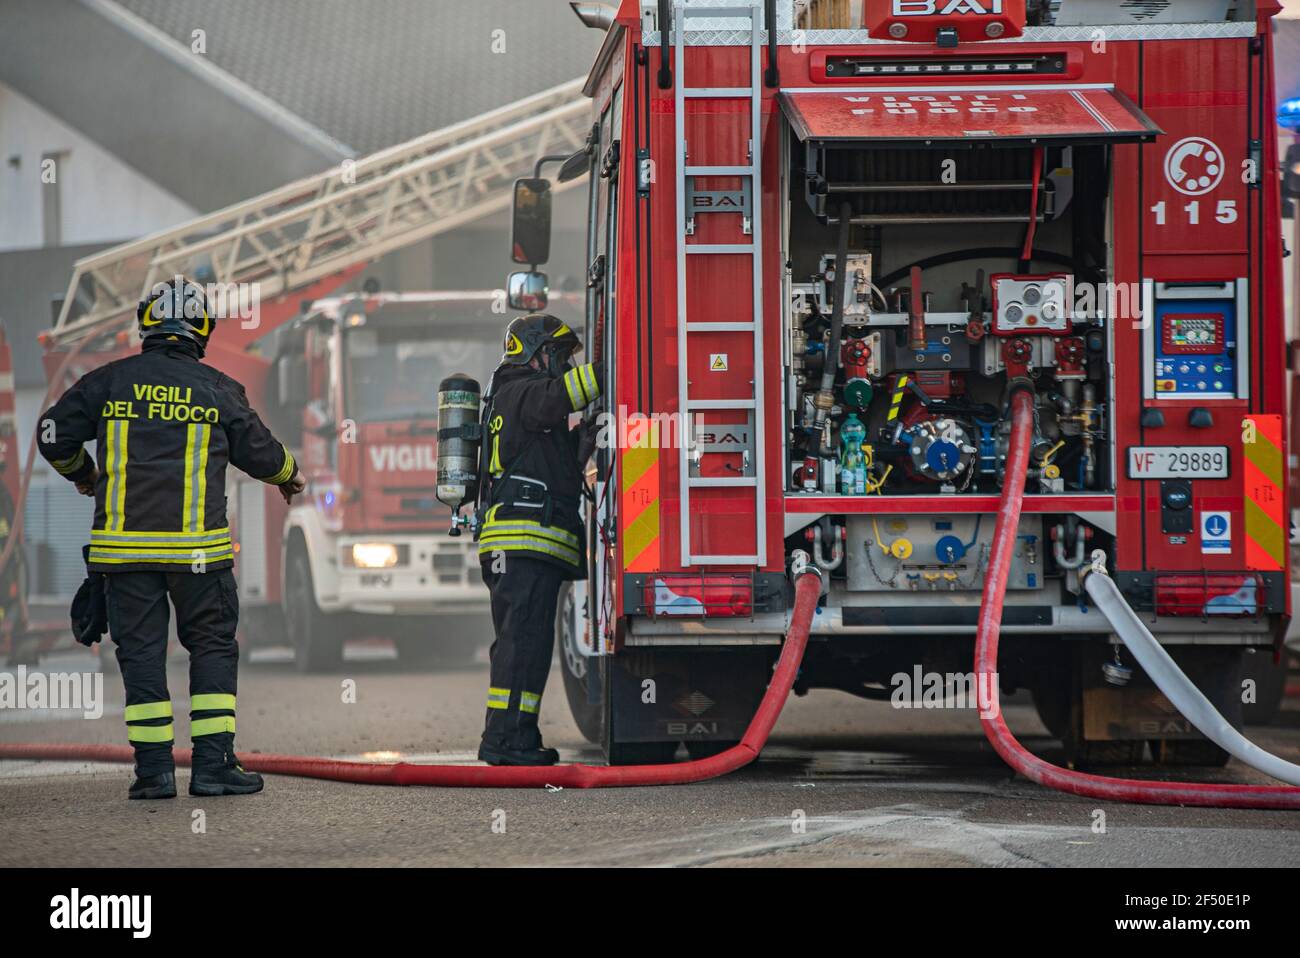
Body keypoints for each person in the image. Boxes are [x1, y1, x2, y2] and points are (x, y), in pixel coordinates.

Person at [38, 276, 306, 799]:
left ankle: (154, 774)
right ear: (202, 329)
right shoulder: (217, 388)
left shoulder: (108, 382)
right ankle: (212, 767)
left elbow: (52, 434)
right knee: (210, 648)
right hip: (198, 559)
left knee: (141, 656)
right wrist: (290, 476)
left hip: (125, 557)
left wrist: (83, 473)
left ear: (147, 324)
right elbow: (263, 454)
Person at [474, 313, 600, 765]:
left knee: (527, 642)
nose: (565, 366)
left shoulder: (514, 402)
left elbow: (552, 467)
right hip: (521, 546)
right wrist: (612, 367)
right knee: (521, 643)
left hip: (524, 548)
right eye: (561, 356)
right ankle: (503, 740)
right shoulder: (522, 392)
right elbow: (561, 396)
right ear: (538, 354)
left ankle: (519, 735)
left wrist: (582, 443)